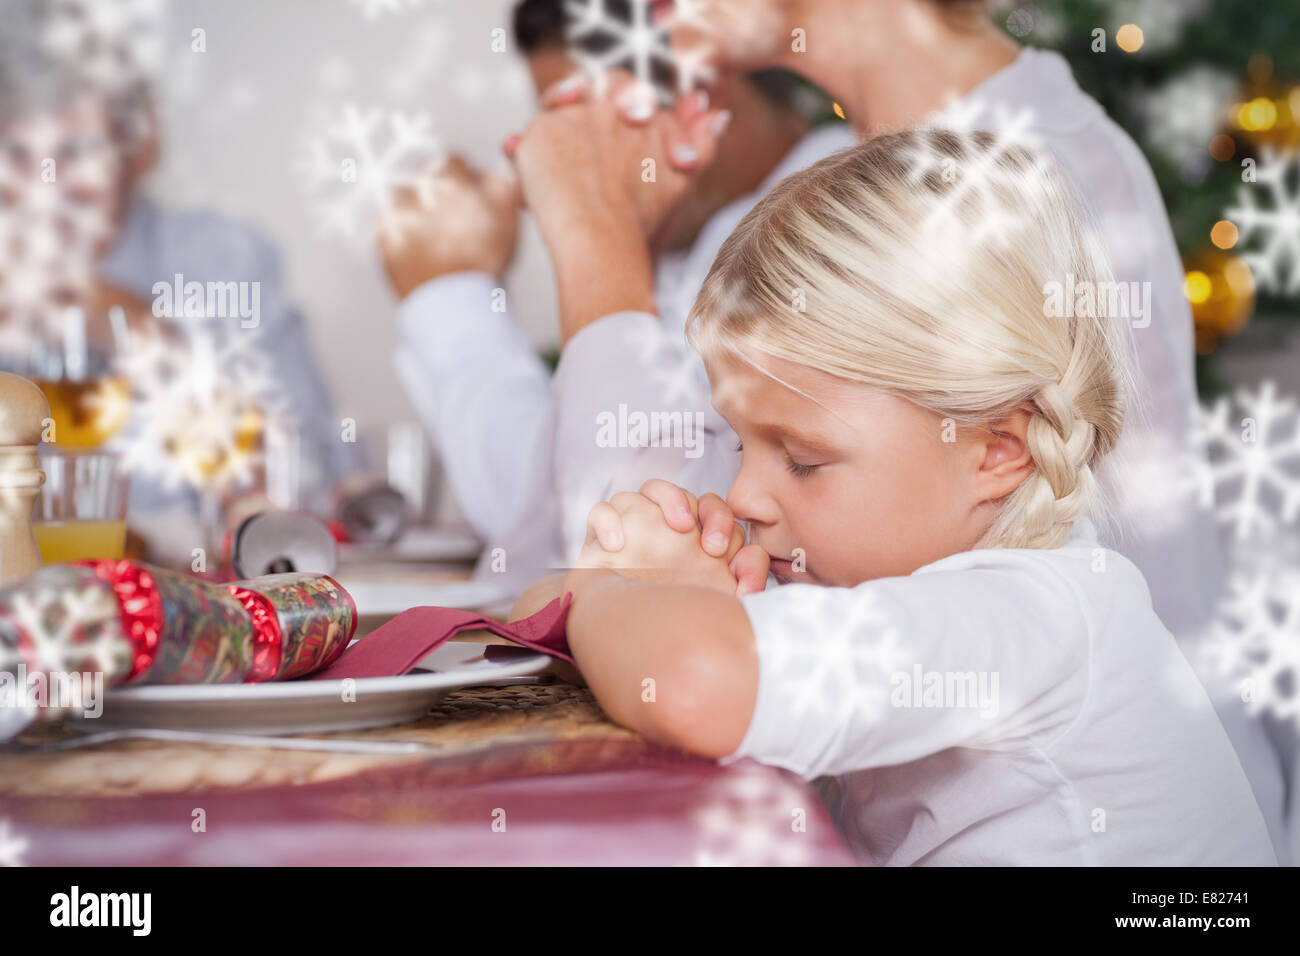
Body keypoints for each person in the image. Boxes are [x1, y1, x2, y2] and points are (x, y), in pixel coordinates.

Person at [505, 0, 1291, 864]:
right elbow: (550, 609)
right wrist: (628, 586)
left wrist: (628, 599)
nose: (739, 497)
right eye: (738, 443)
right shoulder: (880, 579)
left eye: (802, 460)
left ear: (999, 448)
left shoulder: (1034, 616)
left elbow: (695, 681)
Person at [378, 0, 854, 588]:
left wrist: (582, 233)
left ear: (697, 85)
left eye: (583, 122)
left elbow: (620, 542)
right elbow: (546, 530)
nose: (544, 169)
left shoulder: (851, 224)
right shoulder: (688, 248)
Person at [0, 0, 363, 560]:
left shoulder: (222, 258)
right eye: (17, 155)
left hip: (182, 614)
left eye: (76, 153)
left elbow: (311, 487)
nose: (45, 189)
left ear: (141, 146)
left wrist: (139, 334)